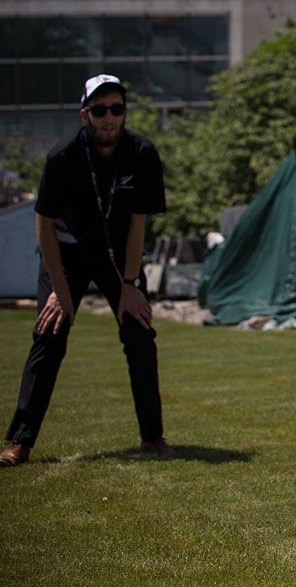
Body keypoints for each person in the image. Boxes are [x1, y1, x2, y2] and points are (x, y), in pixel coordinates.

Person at [0, 74, 173, 467]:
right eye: (100, 110)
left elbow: (137, 224)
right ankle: (19, 442)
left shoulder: (142, 152)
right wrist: (60, 292)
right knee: (49, 333)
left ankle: (153, 437)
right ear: (85, 115)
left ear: (124, 113)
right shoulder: (62, 156)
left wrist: (130, 286)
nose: (109, 117)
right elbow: (43, 225)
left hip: (116, 258)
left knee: (140, 332)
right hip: (66, 254)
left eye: (117, 109)